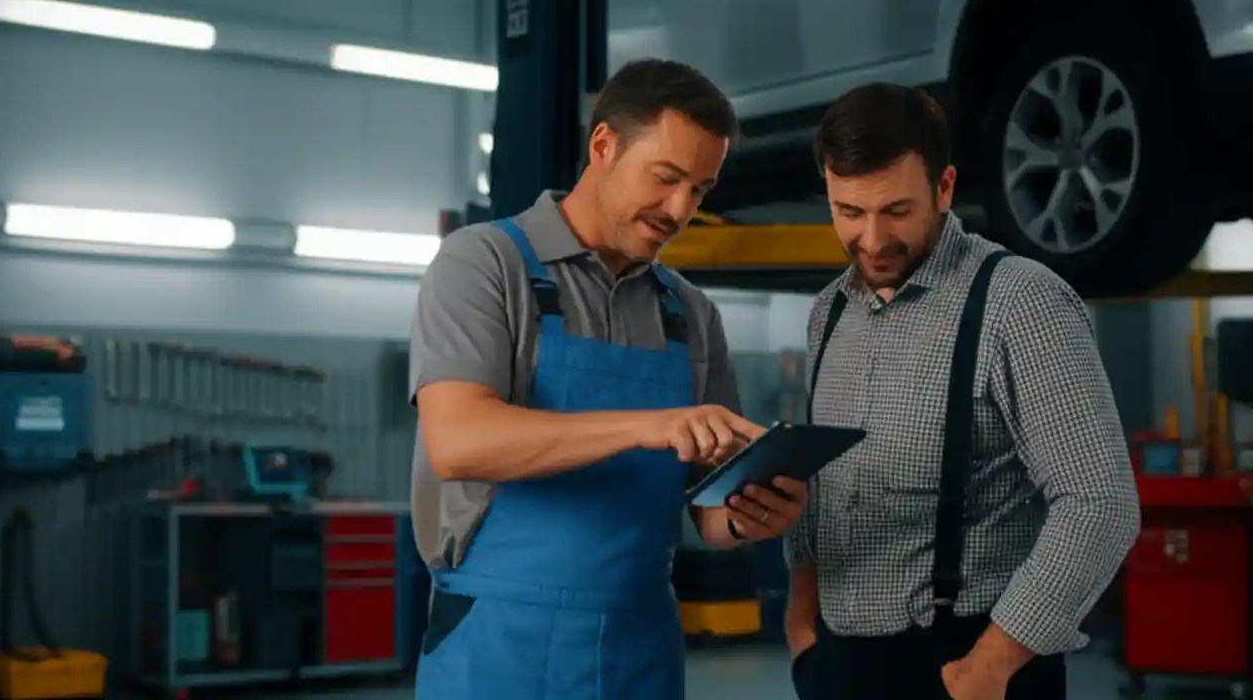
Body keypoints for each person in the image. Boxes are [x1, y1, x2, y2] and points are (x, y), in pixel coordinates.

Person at [407, 58, 810, 700]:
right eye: (667, 177)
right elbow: (459, 441)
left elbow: (708, 517)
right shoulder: (483, 265)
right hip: (498, 648)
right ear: (603, 146)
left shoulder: (691, 316)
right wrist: (650, 425)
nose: (680, 210)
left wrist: (753, 513)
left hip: (639, 651)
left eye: (700, 190)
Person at [783, 82, 1142, 700]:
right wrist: (800, 624)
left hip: (970, 671)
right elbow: (821, 489)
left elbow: (1100, 505)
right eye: (849, 212)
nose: (871, 240)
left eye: (896, 211)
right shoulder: (828, 312)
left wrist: (991, 665)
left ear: (944, 187)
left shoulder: (1021, 304)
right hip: (837, 665)